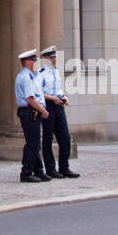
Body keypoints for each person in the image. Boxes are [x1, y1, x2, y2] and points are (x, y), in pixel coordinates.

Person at [38, 46, 79, 178]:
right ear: (45, 58)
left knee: (65, 137)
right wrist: (52, 99)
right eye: (51, 57)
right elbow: (38, 93)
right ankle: (50, 169)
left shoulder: (56, 71)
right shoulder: (41, 72)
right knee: (48, 138)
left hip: (58, 105)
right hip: (48, 105)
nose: (54, 59)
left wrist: (64, 96)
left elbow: (58, 89)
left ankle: (64, 167)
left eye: (54, 56)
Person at [15, 49, 49, 183]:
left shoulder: (30, 75)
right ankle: (26, 173)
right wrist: (43, 111)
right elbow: (30, 99)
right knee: (32, 144)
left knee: (35, 144)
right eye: (34, 60)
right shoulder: (26, 77)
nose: (36, 62)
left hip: (31, 112)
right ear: (28, 62)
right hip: (30, 112)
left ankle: (38, 171)